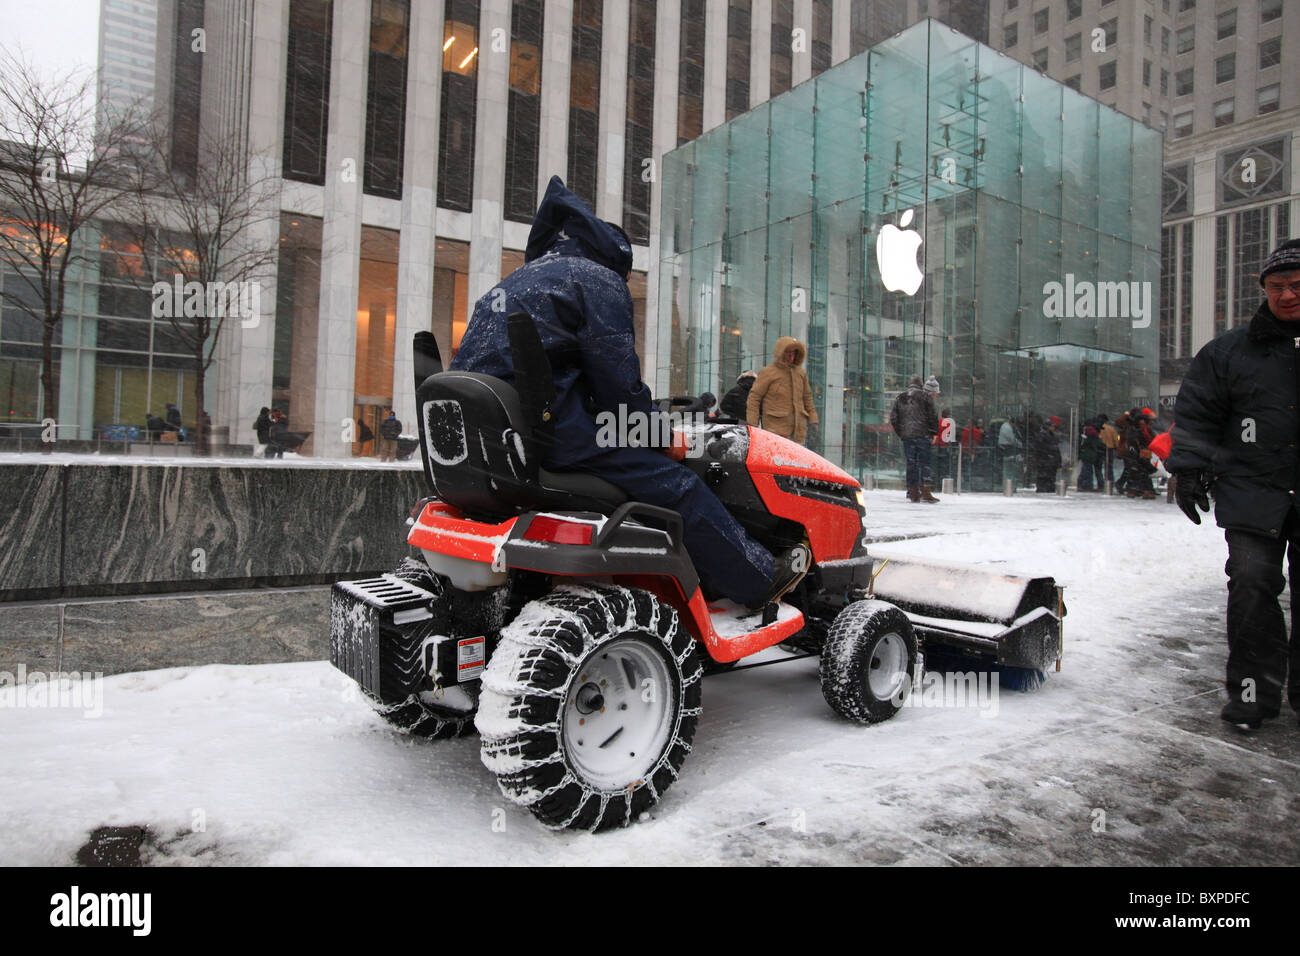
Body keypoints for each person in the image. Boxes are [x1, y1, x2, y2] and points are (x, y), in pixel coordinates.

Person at [451, 175, 797, 609]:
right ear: (614, 257)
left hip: (496, 442)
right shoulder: (595, 278)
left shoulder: (515, 282)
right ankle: (758, 578)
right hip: (554, 435)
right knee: (680, 487)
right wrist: (658, 435)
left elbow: (559, 375)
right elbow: (616, 388)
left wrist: (639, 418)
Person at [1168, 238, 1300, 729]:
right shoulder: (1228, 352)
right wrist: (1187, 469)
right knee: (1251, 586)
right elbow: (1198, 414)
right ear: (1263, 289)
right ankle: (1251, 696)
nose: (1287, 295)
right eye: (1278, 286)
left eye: (1297, 285)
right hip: (1252, 489)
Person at [747, 337, 819, 445]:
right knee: (777, 460)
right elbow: (754, 398)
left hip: (798, 431)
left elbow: (807, 398)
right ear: (781, 353)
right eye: (788, 353)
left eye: (794, 353)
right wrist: (752, 424)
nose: (791, 356)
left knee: (796, 460)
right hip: (775, 430)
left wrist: (813, 420)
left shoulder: (800, 373)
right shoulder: (768, 372)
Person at [888, 375, 940, 503]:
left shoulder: (900, 397)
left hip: (908, 437)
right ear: (921, 385)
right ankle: (926, 491)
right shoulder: (925, 397)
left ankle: (913, 492)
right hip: (923, 435)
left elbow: (894, 418)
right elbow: (932, 416)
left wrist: (902, 432)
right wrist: (933, 432)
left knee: (911, 464)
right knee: (924, 463)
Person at [1122, 407, 1158, 499]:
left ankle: (1136, 490)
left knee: (1139, 472)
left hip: (1140, 455)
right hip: (1138, 455)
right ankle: (1139, 490)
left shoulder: (1137, 430)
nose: (1143, 425)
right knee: (1138, 472)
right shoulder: (1137, 431)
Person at [1077, 423, 1104, 491]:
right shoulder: (1094, 436)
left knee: (1084, 470)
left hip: (1085, 455)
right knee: (1088, 471)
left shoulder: (1087, 434)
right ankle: (1087, 486)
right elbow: (1098, 444)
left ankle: (1081, 484)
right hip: (1089, 456)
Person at [997, 417, 1022, 487]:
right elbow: (1012, 439)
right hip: (1006, 447)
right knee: (1008, 466)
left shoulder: (1006, 426)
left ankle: (1007, 481)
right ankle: (1007, 482)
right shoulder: (1007, 428)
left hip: (1005, 447)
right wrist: (1019, 444)